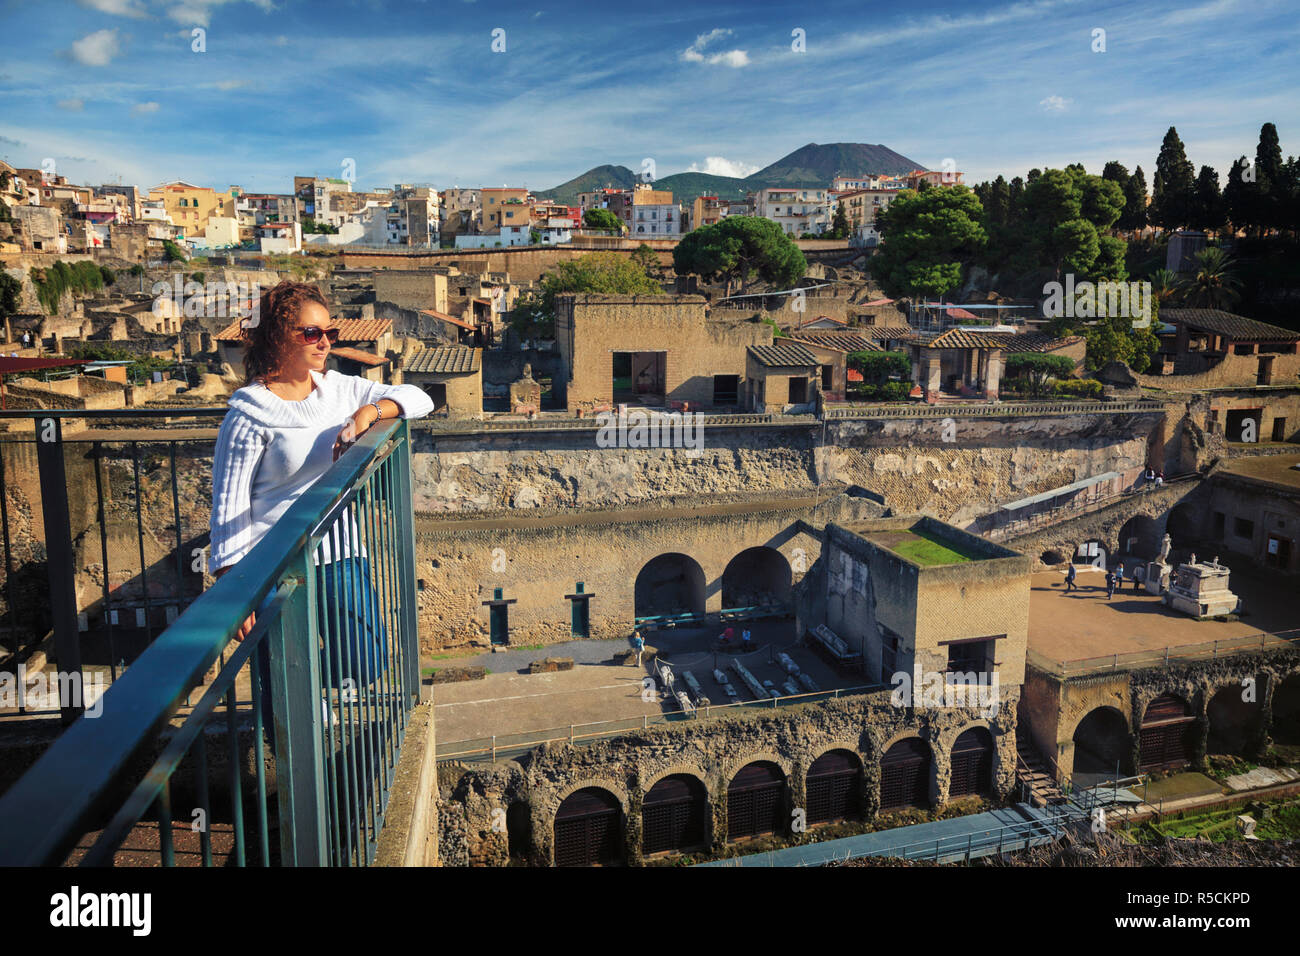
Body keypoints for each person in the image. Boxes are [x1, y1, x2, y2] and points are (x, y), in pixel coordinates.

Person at [209, 280, 434, 740]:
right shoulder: (249, 414)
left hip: (340, 550)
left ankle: (302, 683)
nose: (325, 342)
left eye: (327, 331)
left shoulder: (338, 390)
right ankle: (288, 761)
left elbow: (421, 398)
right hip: (274, 560)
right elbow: (228, 508)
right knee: (283, 689)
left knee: (366, 655)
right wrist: (236, 587)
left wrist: (373, 412)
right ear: (277, 336)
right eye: (311, 334)